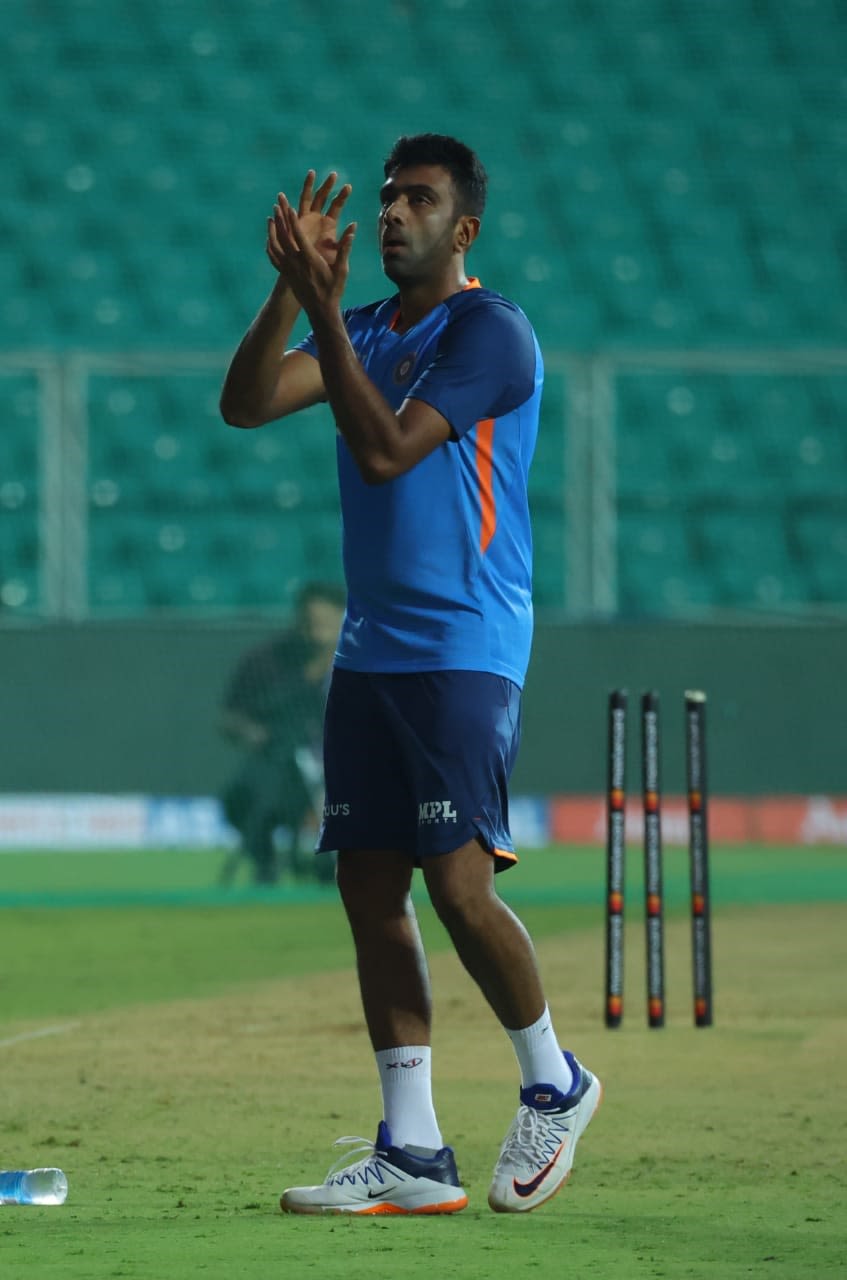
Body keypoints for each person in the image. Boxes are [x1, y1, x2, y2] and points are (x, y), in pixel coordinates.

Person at [220, 134, 601, 1215]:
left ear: (463, 227)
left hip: (466, 643)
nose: (391, 214)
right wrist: (291, 296)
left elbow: (387, 449)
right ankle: (414, 1150)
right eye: (386, 197)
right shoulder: (374, 326)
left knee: (457, 882)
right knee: (367, 884)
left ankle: (555, 1081)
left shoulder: (492, 333)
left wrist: (329, 314)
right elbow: (245, 404)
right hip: (374, 650)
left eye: (417, 200)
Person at [218, 581, 345, 885]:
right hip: (279, 763)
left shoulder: (367, 663)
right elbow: (232, 717)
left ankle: (338, 867)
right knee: (242, 799)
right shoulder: (265, 661)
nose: (318, 631)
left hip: (346, 771)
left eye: (326, 623)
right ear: (298, 619)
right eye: (311, 623)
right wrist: (254, 734)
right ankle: (266, 862)